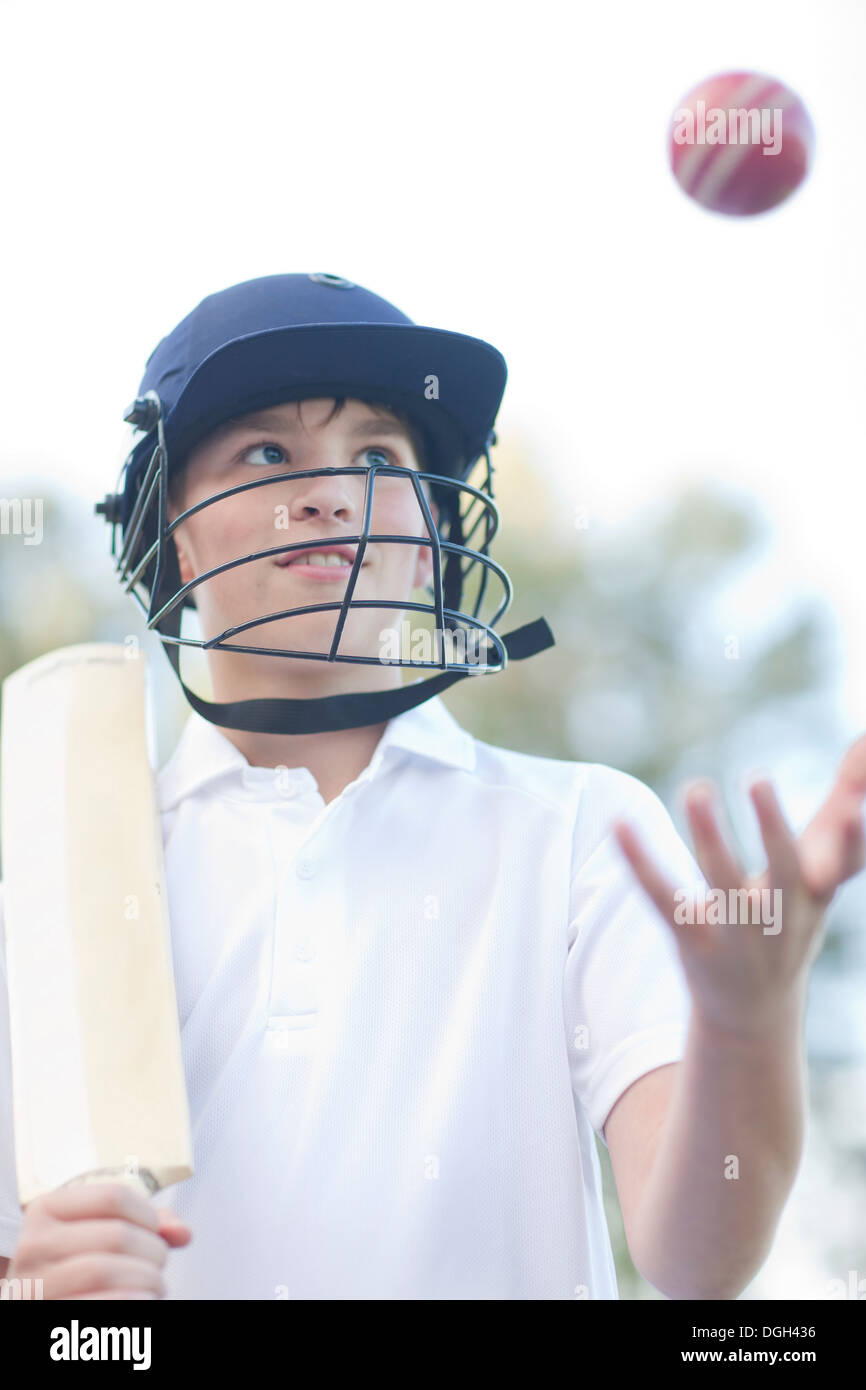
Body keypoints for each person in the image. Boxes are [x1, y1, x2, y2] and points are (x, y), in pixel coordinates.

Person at [1, 273, 863, 1300]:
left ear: (434, 540)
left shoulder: (579, 830)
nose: (329, 490)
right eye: (266, 452)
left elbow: (697, 1260)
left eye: (377, 456)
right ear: (173, 528)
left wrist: (744, 1027)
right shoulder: (57, 889)